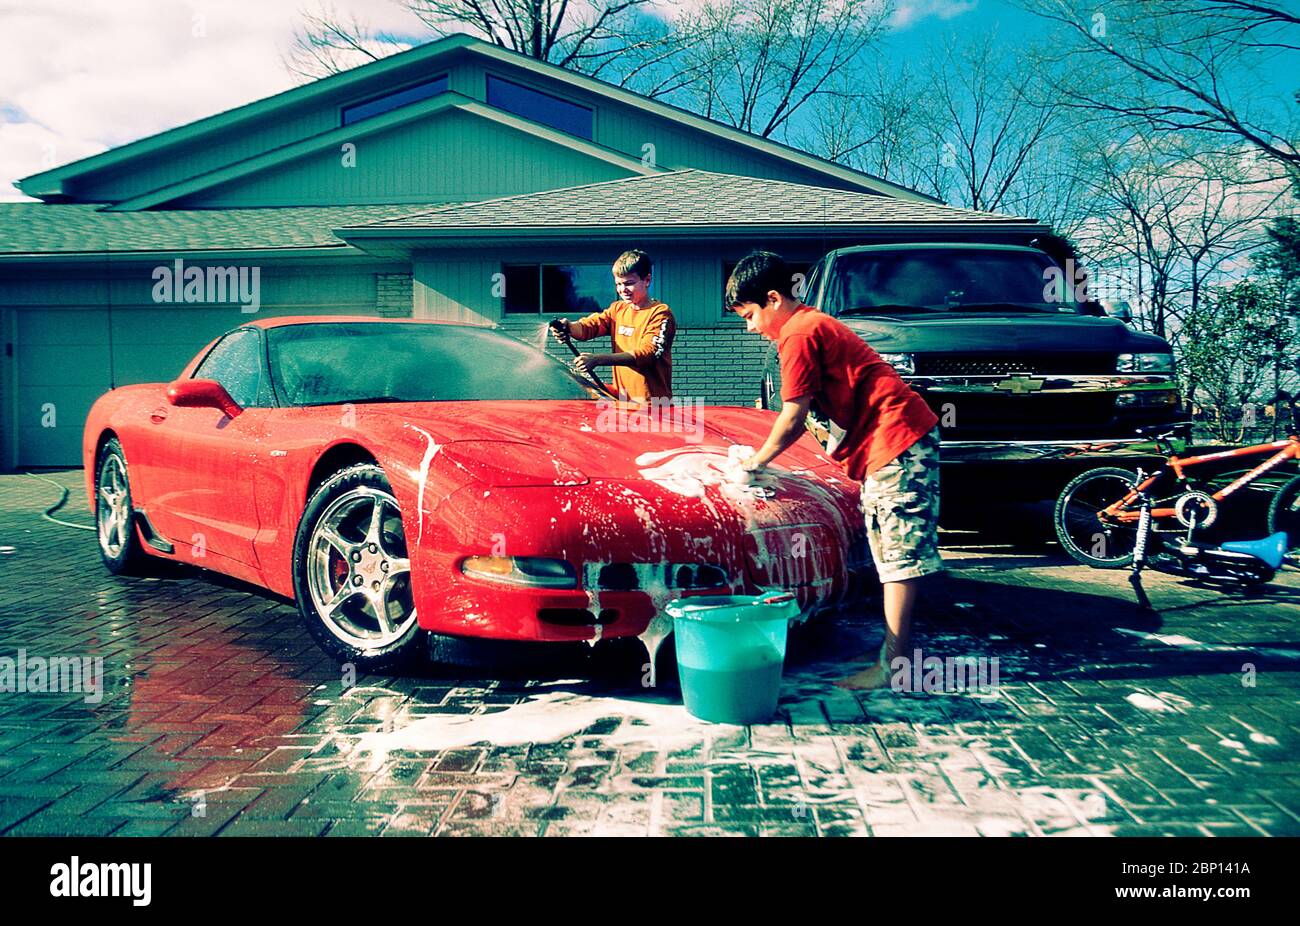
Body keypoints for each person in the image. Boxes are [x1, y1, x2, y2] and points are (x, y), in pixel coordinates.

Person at [726, 251, 944, 691]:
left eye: (749, 316)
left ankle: (895, 668)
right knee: (887, 546)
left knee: (898, 556)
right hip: (895, 441)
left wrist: (756, 462)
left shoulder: (798, 333)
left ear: (772, 299)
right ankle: (893, 650)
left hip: (898, 442)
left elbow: (791, 416)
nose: (751, 328)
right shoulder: (810, 325)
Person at [550, 250, 675, 401]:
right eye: (618, 284)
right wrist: (568, 327)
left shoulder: (660, 313)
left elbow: (647, 354)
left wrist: (598, 359)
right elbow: (590, 326)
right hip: (622, 402)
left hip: (653, 406)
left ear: (647, 280)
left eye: (629, 283)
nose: (623, 290)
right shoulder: (618, 309)